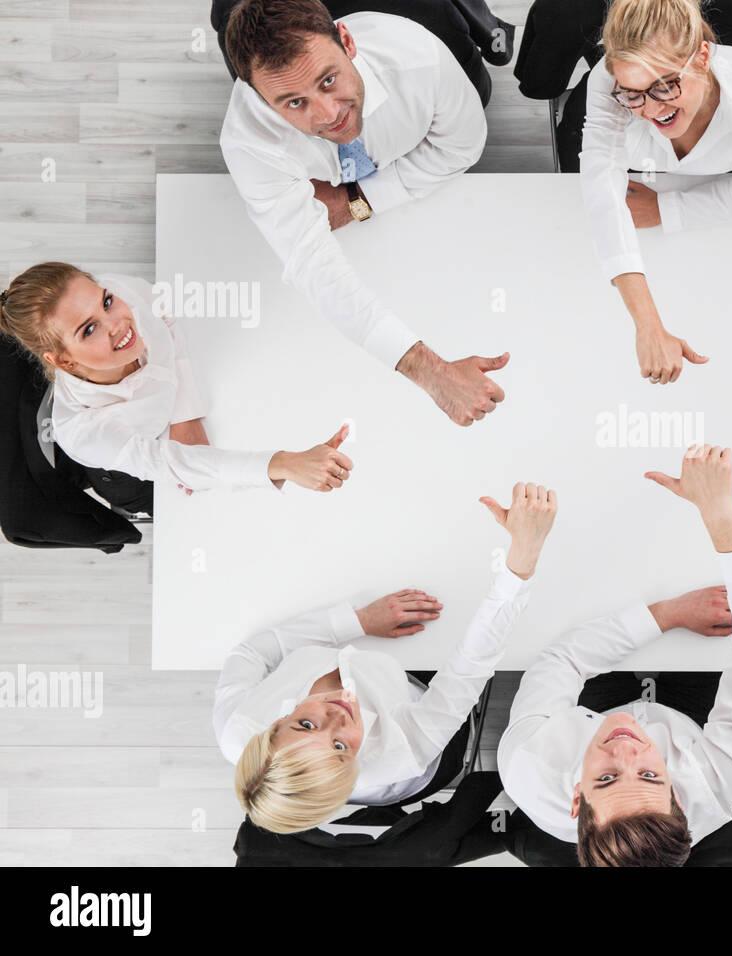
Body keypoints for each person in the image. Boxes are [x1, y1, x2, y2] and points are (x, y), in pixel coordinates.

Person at [497, 444, 732, 865]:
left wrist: (666, 614)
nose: (627, 749)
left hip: (594, 711)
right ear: (678, 796)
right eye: (650, 775)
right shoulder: (712, 786)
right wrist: (718, 513)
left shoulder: (530, 763)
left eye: (607, 777)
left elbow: (563, 662)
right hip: (690, 719)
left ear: (577, 798)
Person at [219, 0, 505, 427]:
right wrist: (432, 373)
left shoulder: (419, 60)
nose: (327, 114)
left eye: (328, 80)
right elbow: (313, 265)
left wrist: (357, 200)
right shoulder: (249, 140)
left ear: (347, 42)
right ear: (261, 99)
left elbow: (462, 147)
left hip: (423, 18)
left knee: (477, 89)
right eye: (293, 103)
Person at [216, 480, 558, 834]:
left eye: (306, 724)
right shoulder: (402, 753)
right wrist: (523, 555)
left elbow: (252, 652)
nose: (338, 714)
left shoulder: (237, 727)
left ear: (274, 725)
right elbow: (469, 668)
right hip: (428, 747)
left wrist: (358, 621)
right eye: (339, 746)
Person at [0, 263, 354, 515]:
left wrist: (184, 415)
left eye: (106, 303)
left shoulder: (122, 293)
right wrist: (287, 464)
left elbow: (164, 315)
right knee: (176, 511)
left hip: (169, 429)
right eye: (89, 330)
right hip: (127, 468)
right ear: (62, 361)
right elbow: (173, 465)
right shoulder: (86, 431)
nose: (119, 325)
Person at [581, 0, 732, 385]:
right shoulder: (609, 80)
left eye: (665, 85)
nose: (651, 109)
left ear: (701, 57)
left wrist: (667, 209)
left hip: (728, 256)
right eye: (633, 95)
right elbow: (602, 186)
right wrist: (648, 326)